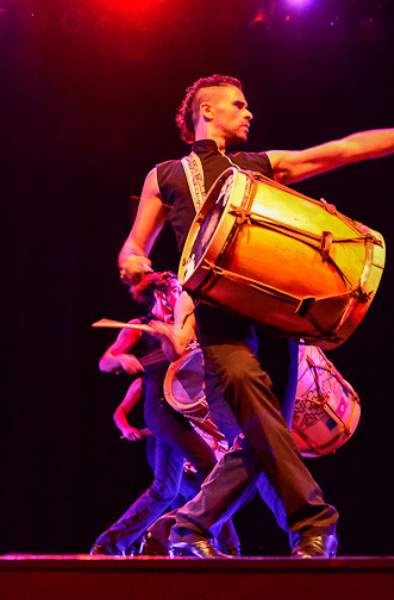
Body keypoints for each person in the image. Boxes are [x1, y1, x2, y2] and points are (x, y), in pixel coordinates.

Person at [117, 75, 394, 558]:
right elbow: (134, 245)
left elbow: (340, 150)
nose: (249, 113)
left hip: (278, 317)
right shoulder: (165, 176)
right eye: (239, 105)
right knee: (259, 415)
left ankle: (188, 527)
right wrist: (134, 263)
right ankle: (315, 523)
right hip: (218, 323)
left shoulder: (256, 169)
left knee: (264, 434)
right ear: (207, 112)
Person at [90, 272, 239, 556]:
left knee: (166, 490)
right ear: (160, 294)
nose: (180, 296)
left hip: (183, 414)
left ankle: (108, 545)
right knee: (209, 468)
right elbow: (105, 362)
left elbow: (181, 354)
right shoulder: (139, 326)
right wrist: (122, 358)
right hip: (160, 409)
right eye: (175, 290)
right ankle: (228, 548)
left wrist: (171, 334)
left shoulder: (183, 324)